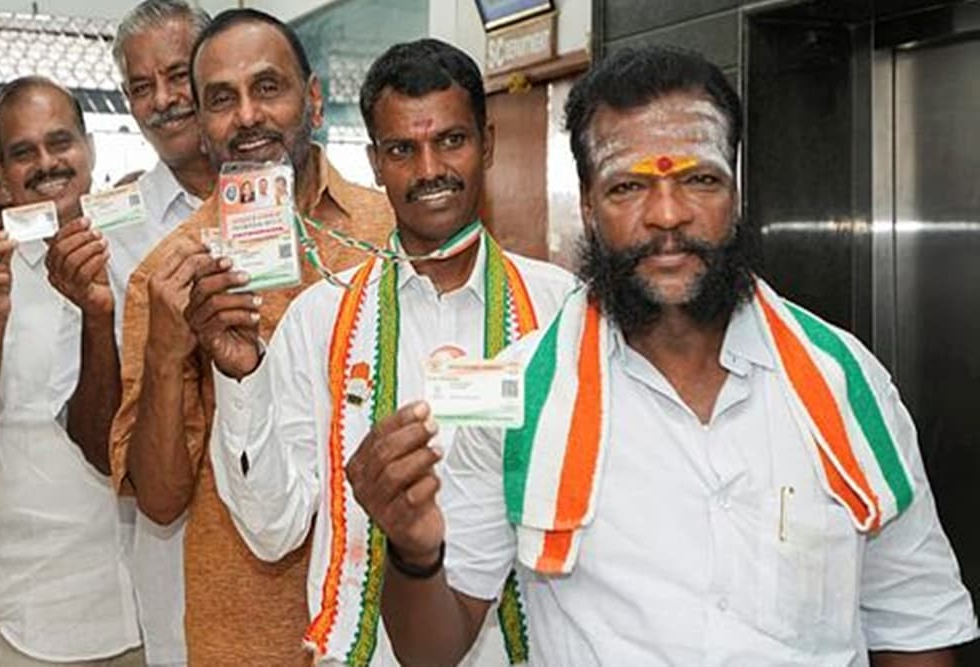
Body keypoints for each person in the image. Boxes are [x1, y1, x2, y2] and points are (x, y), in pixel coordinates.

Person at [354, 45, 979, 666]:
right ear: (589, 205)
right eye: (628, 187)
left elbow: (916, 625)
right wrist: (414, 551)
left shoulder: (844, 380)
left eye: (699, 179)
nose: (668, 215)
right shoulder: (523, 395)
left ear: (736, 188)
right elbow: (431, 651)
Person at [203, 39, 576, 665]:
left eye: (450, 140)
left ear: (486, 143)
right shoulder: (321, 318)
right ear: (376, 162)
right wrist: (241, 379)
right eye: (403, 149)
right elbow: (272, 532)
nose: (430, 169)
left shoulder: (561, 308)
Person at [108, 8, 393, 664]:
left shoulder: (388, 234)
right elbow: (157, 499)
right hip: (244, 631)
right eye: (221, 100)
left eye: (268, 88)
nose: (246, 117)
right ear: (202, 125)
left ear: (313, 99)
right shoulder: (168, 272)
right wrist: (165, 348)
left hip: (388, 623)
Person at [0, 77, 141, 666]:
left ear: (88, 149)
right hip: (26, 623)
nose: (45, 164)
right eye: (23, 153)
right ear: (2, 172)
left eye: (59, 142)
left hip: (148, 609)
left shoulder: (145, 262)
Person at [94, 2, 217, 665]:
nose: (165, 101)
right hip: (176, 529)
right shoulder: (112, 230)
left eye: (178, 76)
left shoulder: (286, 199)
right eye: (143, 87)